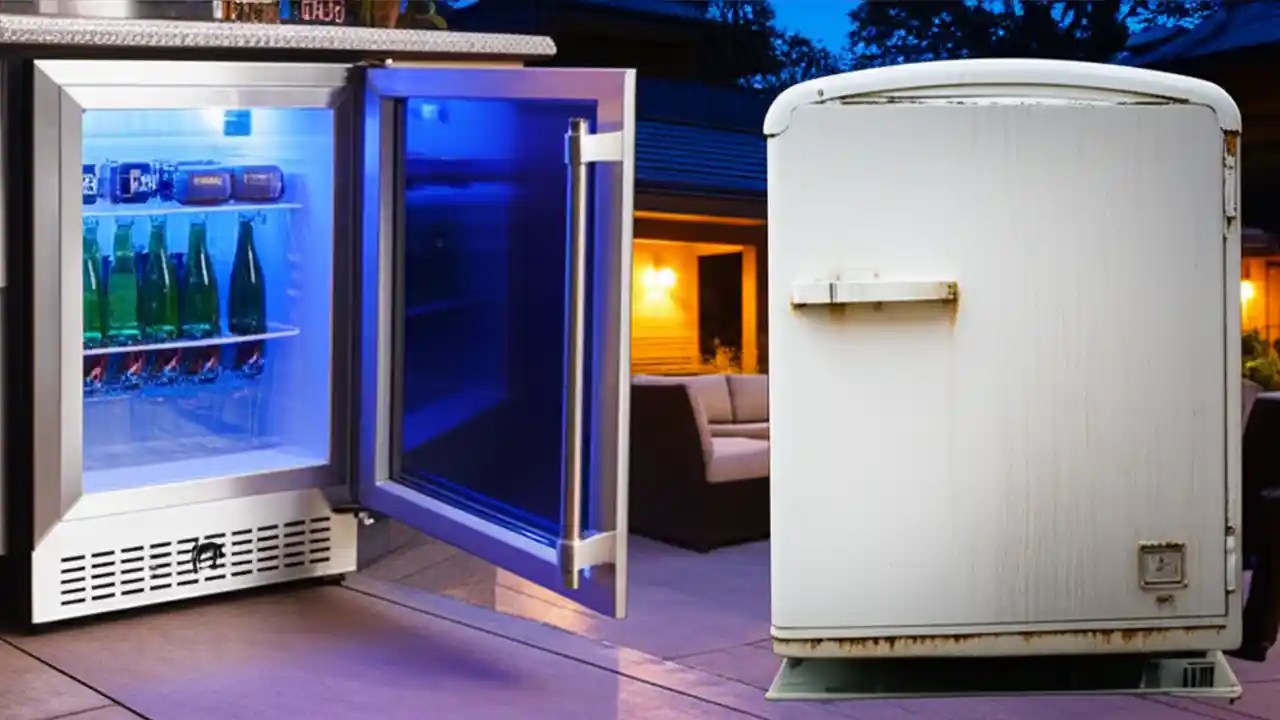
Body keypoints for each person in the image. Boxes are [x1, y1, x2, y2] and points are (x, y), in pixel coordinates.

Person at [1230, 391, 1280, 661]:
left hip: (1265, 504)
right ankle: (1257, 638)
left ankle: (1255, 638)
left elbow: (1250, 462)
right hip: (1266, 502)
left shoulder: (1269, 407)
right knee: (1269, 576)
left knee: (1267, 575)